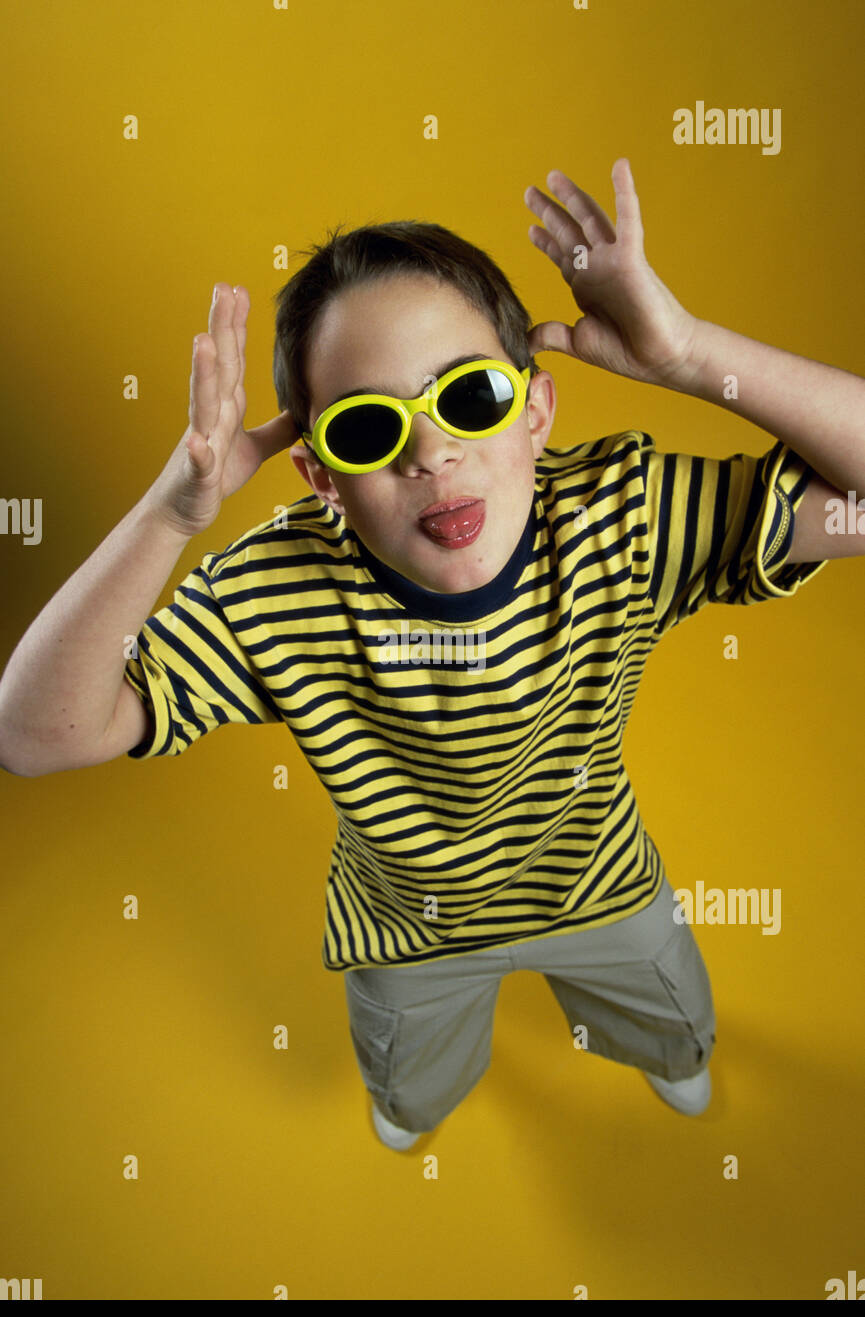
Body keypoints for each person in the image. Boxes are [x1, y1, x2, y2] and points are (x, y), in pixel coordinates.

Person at [1, 158, 861, 1152]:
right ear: (322, 475)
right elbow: (33, 735)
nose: (429, 451)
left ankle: (675, 1056)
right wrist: (173, 512)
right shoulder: (276, 590)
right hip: (406, 929)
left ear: (534, 412)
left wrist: (689, 354)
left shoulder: (619, 515)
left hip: (598, 884)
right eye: (370, 426)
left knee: (675, 1026)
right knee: (411, 1088)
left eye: (469, 396)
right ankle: (414, 1102)